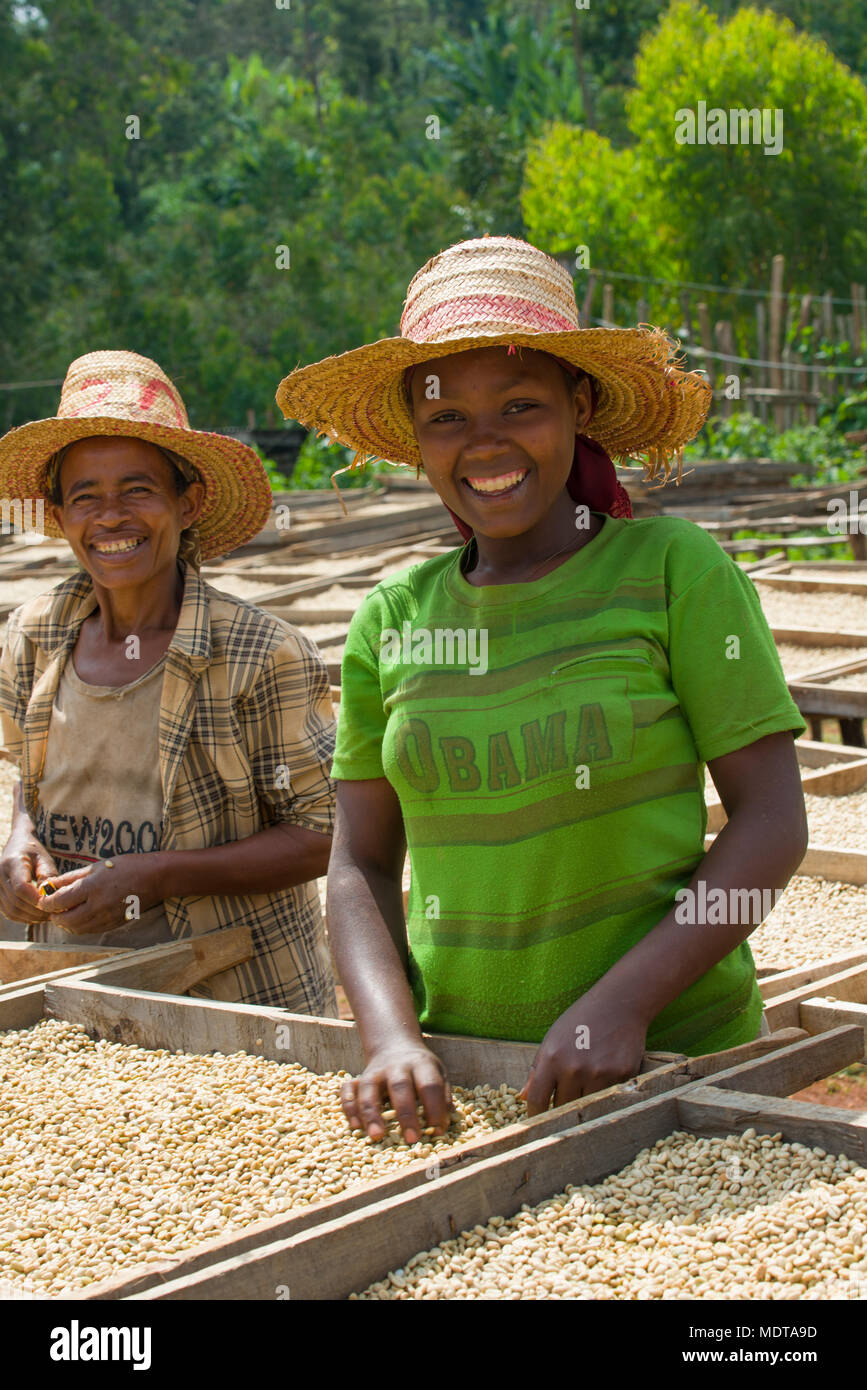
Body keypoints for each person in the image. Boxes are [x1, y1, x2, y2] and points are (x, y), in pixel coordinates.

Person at [275, 234, 808, 1140]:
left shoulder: (672, 571)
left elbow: (769, 823)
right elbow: (360, 863)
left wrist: (626, 1005)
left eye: (520, 405)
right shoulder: (392, 618)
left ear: (579, 406)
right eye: (445, 417)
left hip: (675, 1060)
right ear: (415, 437)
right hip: (465, 1084)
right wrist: (391, 1039)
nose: (484, 443)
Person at [0, 350, 337, 1012]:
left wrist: (156, 875)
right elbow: (27, 775)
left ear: (189, 503)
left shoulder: (261, 656)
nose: (111, 517)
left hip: (233, 995)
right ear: (60, 515)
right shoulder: (34, 636)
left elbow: (327, 834)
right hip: (58, 984)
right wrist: (20, 838)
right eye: (85, 497)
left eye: (138, 490)